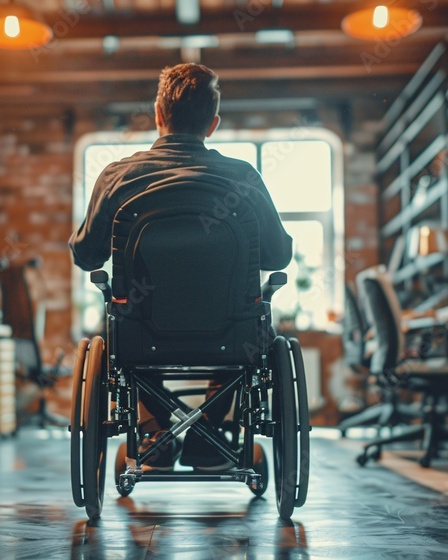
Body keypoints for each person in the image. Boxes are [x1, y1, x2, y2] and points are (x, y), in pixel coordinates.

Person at [69, 63, 293, 471]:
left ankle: (155, 434)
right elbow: (279, 257)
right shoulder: (243, 178)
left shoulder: (119, 176)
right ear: (213, 124)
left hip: (142, 336)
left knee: (122, 322)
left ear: (158, 117)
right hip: (230, 335)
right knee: (258, 331)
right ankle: (208, 435)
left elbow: (86, 256)